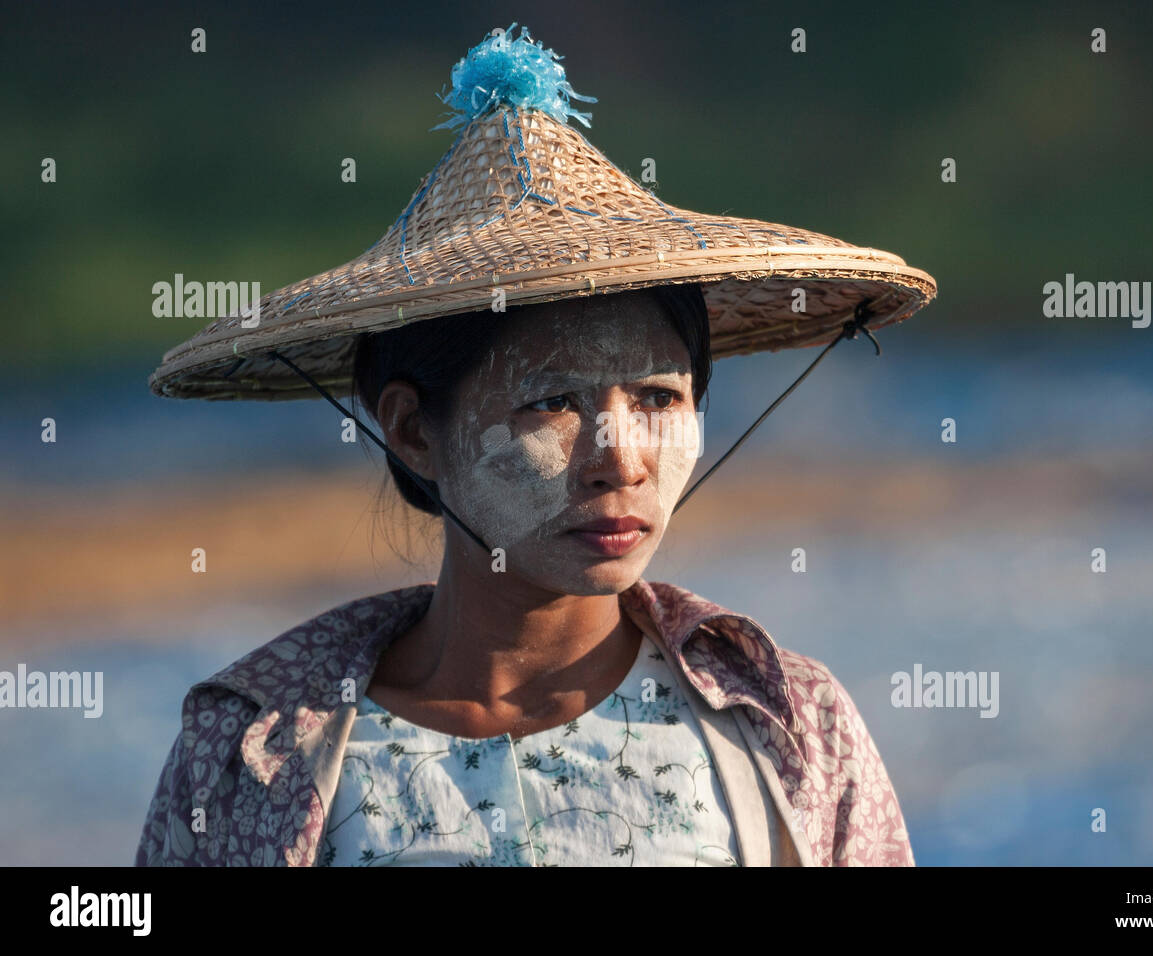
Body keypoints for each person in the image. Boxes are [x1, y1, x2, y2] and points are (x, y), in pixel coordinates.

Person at [138, 23, 935, 867]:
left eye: (660, 397)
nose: (621, 460)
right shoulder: (252, 760)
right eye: (553, 402)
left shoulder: (787, 729)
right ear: (413, 430)